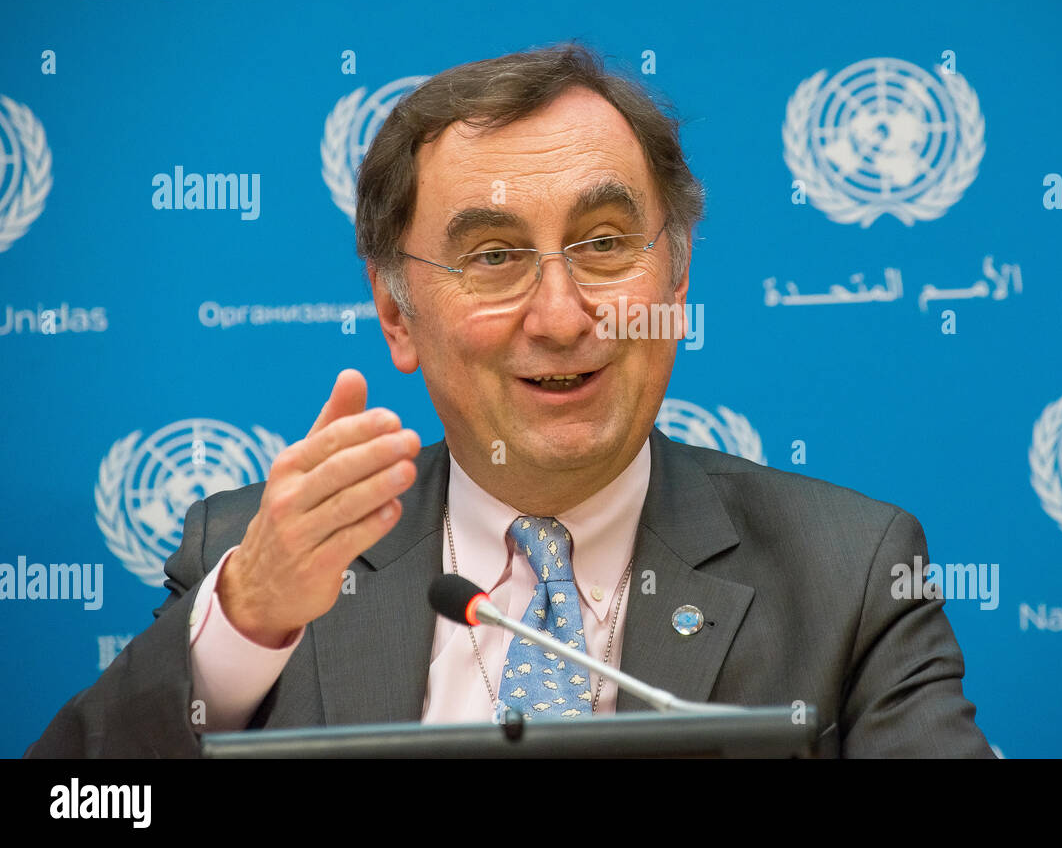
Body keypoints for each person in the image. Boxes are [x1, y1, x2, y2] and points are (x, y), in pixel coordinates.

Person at [27, 42, 992, 758]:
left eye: (606, 242)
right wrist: (243, 626)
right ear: (398, 317)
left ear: (677, 282)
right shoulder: (261, 568)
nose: (563, 315)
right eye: (493, 258)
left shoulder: (849, 573)